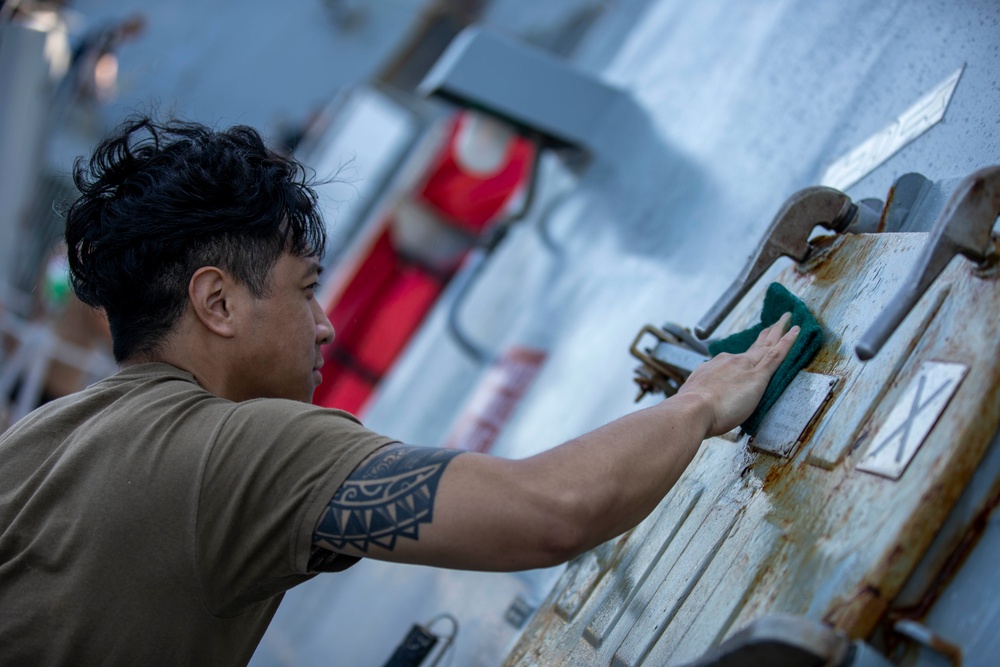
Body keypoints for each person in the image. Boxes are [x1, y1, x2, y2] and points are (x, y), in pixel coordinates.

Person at [0, 116, 798, 665]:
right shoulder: (234, 449)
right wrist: (699, 400)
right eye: (305, 289)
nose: (324, 326)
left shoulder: (34, 443)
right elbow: (552, 510)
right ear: (216, 303)